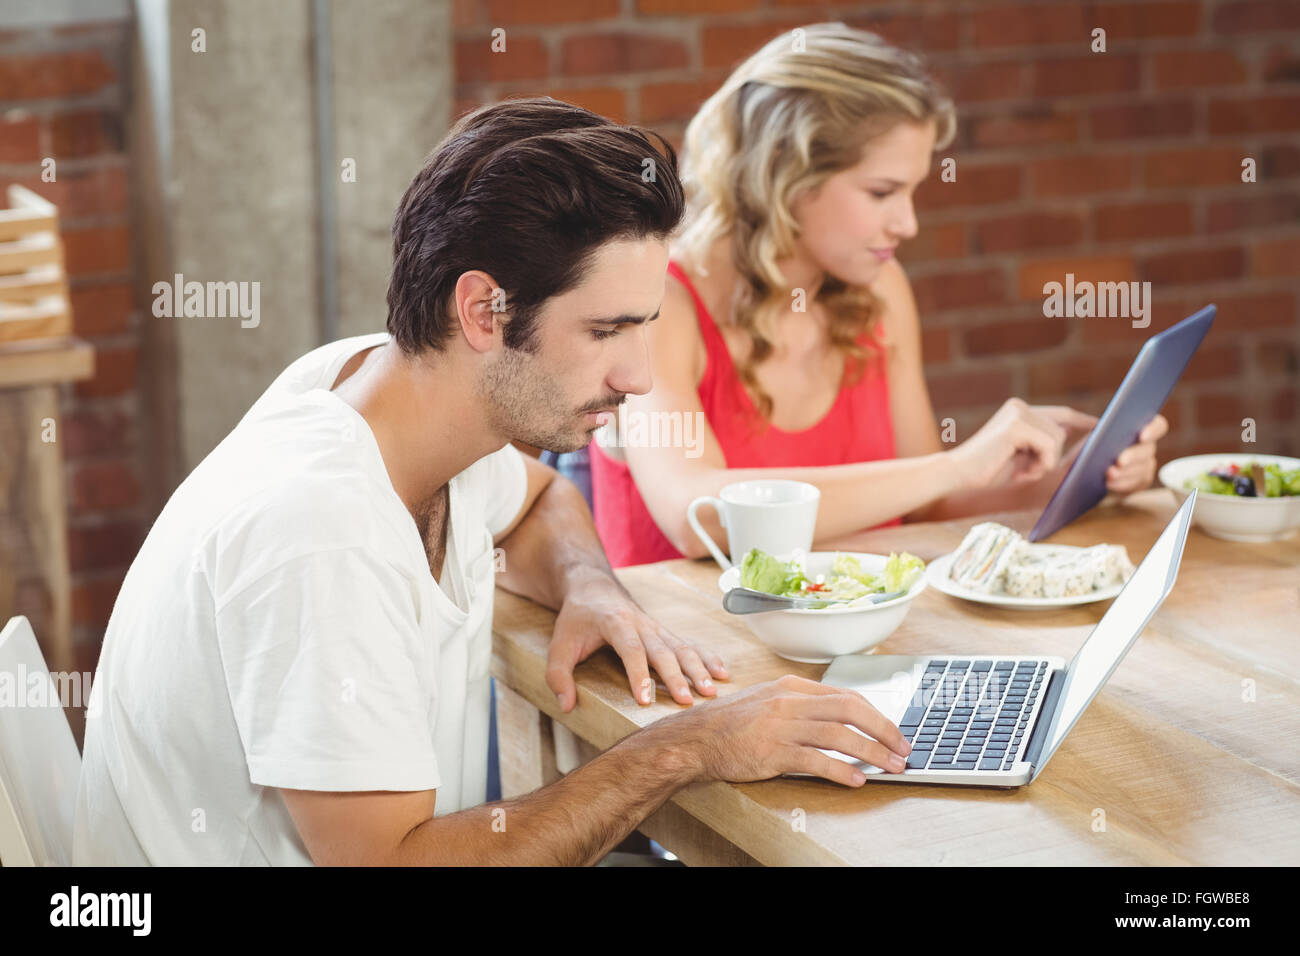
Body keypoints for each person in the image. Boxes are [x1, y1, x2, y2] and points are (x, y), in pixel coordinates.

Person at [73, 98, 912, 867]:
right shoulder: (323, 529)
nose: (640, 375)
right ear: (484, 310)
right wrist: (686, 747)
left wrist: (593, 587)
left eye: (646, 326)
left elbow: (543, 499)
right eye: (607, 330)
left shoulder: (382, 388)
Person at [589, 23, 1168, 567]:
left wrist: (1076, 478)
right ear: (787, 176)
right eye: (882, 191)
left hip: (855, 650)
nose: (908, 224)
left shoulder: (880, 291)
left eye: (912, 191)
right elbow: (699, 520)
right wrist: (956, 465)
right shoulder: (659, 303)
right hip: (694, 661)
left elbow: (922, 508)